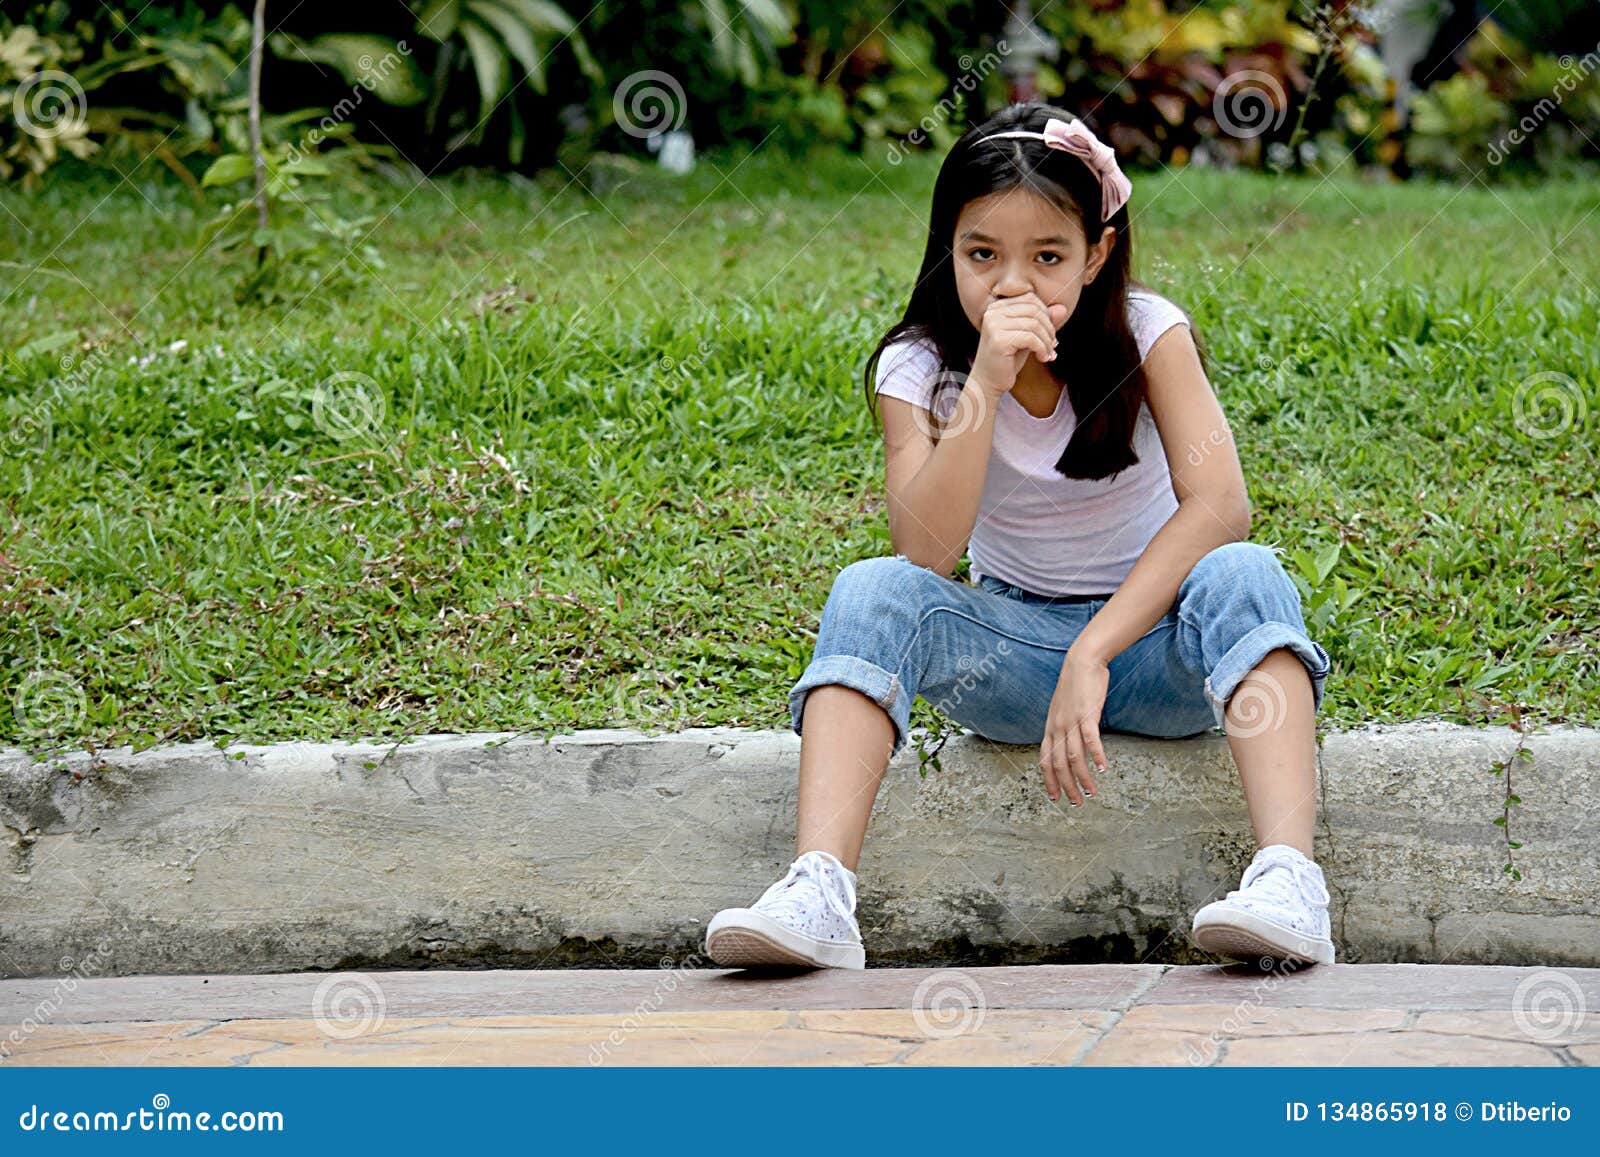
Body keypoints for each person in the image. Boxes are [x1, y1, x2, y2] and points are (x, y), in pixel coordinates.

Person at [704, 102, 1334, 972]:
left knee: (1244, 570)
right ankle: (818, 893)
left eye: (1048, 258)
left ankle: (1290, 882)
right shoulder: (918, 368)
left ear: (1097, 254)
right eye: (982, 255)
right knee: (870, 587)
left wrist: (1098, 651)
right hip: (1016, 665)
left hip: (1158, 654)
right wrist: (986, 389)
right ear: (947, 250)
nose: (1013, 285)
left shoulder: (1152, 334)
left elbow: (1221, 505)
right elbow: (924, 551)